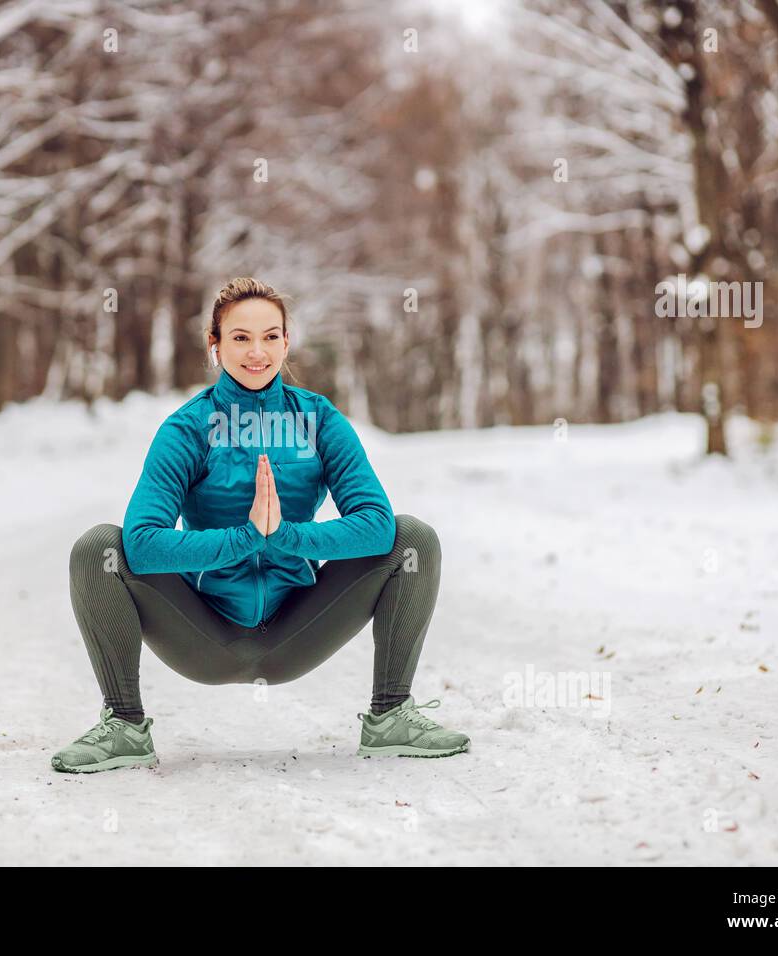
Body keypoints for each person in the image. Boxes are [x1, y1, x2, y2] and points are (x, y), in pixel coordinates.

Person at [52, 276, 469, 773]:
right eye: (241, 337)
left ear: (287, 342)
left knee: (412, 539)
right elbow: (141, 544)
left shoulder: (318, 419)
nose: (258, 352)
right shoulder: (188, 428)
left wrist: (284, 536)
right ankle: (123, 724)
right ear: (215, 345)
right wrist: (245, 537)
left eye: (271, 336)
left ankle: (392, 714)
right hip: (204, 634)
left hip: (299, 627)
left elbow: (377, 525)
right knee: (99, 548)